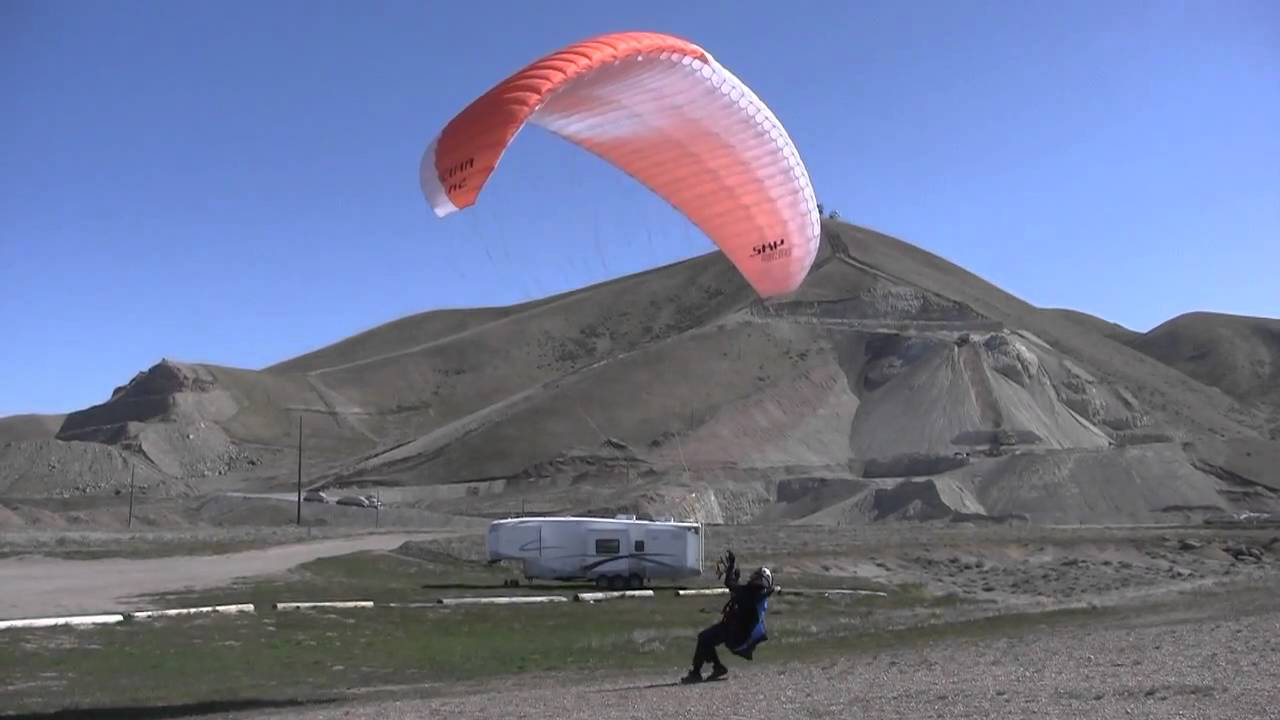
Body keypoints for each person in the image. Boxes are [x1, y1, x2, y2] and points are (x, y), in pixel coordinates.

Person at [680, 549, 775, 684]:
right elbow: (737, 591)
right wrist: (734, 577)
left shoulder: (753, 594)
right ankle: (717, 668)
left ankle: (697, 673)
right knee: (706, 639)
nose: (752, 577)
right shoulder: (756, 594)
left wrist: (731, 566)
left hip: (736, 636)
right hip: (735, 632)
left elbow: (731, 585)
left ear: (761, 580)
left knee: (704, 638)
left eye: (756, 576)